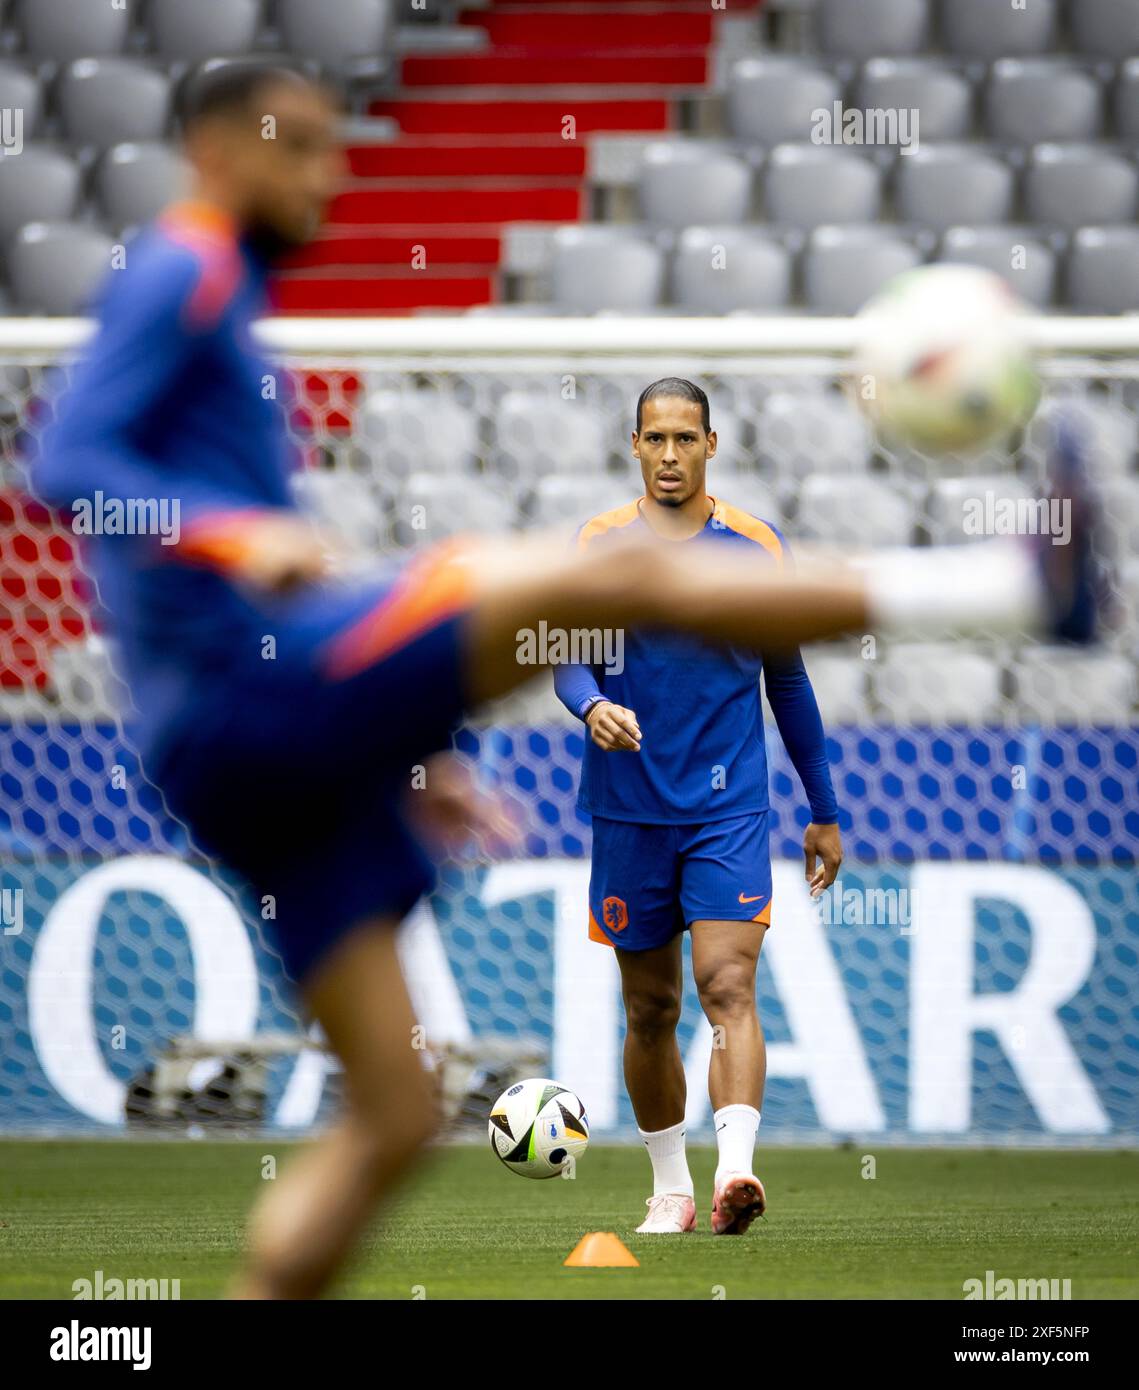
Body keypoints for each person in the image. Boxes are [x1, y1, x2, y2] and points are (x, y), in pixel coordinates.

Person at [31, 63, 1102, 1298]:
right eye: (306, 148)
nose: (329, 175)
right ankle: (1014, 589)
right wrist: (239, 534)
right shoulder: (186, 264)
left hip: (248, 739)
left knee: (391, 1110)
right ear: (220, 150)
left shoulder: (230, 301)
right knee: (619, 577)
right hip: (244, 692)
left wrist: (405, 750)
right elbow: (70, 454)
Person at [554, 378, 842, 1235]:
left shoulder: (755, 546)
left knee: (727, 983)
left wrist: (820, 807)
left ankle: (736, 1178)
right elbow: (568, 660)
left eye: (686, 439)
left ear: (711, 446)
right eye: (655, 439)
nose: (670, 455)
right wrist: (589, 706)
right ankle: (671, 1188)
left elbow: (785, 680)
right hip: (630, 809)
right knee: (650, 1008)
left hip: (730, 812)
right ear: (633, 446)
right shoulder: (599, 545)